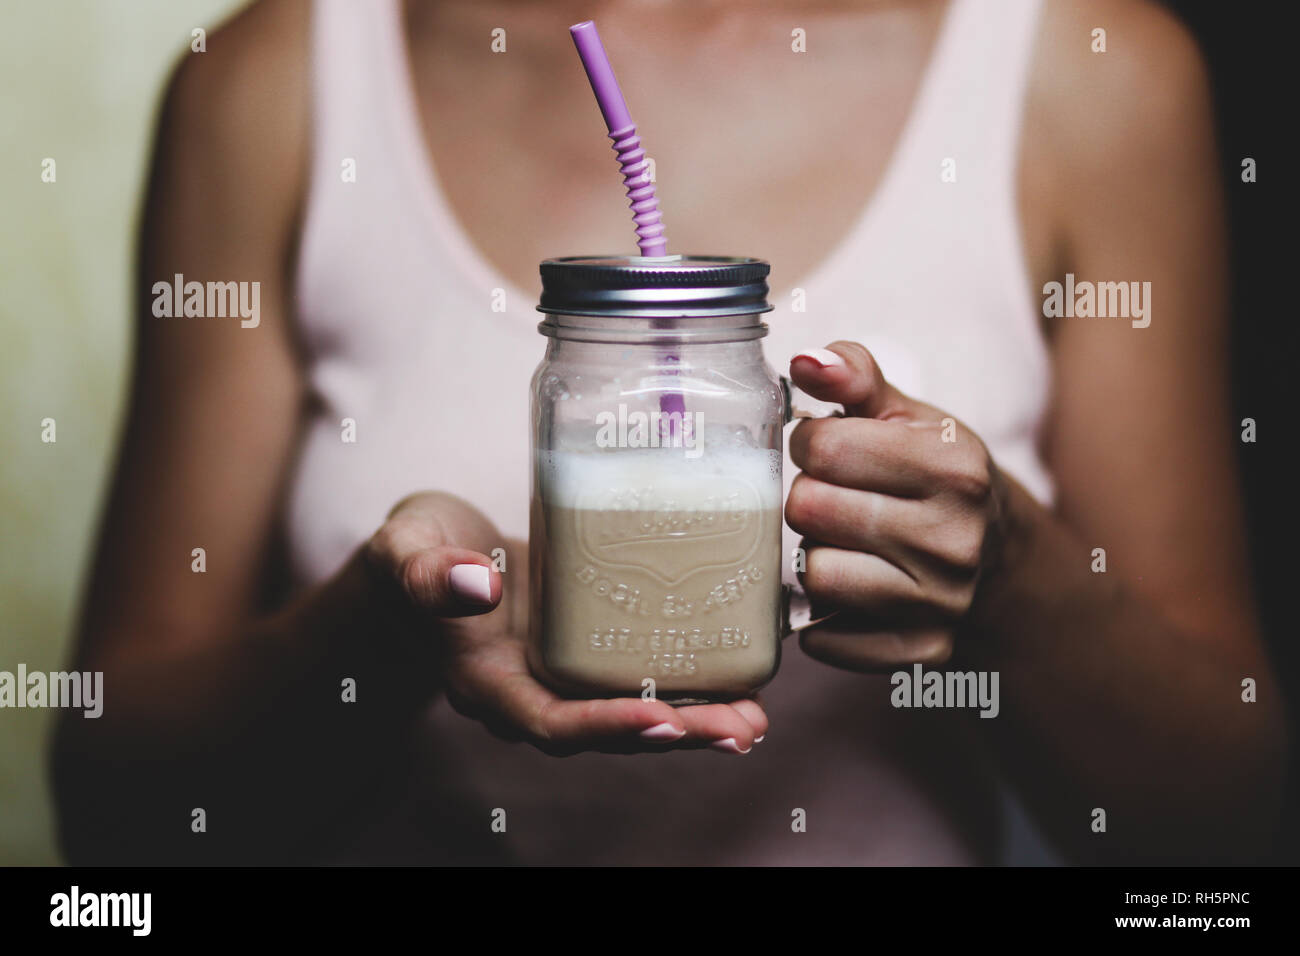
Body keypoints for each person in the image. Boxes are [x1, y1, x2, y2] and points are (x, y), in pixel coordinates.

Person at [54, 0, 1286, 864]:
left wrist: (1006, 567)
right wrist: (385, 624)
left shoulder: (1088, 65)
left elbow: (1228, 824)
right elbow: (115, 822)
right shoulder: (270, 75)